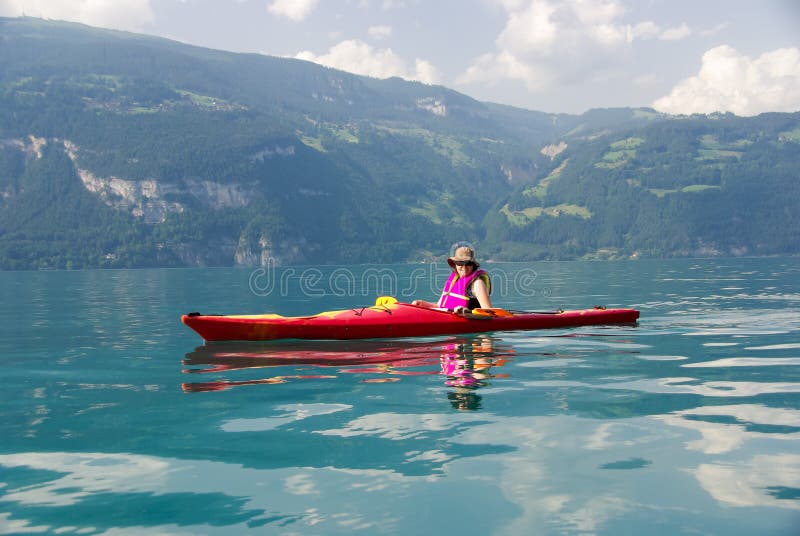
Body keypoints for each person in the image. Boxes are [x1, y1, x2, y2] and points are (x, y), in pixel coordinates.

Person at [412, 246, 492, 313]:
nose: (464, 267)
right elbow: (439, 306)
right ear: (455, 264)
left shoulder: (477, 283)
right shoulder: (452, 281)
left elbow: (489, 313)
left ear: (473, 265)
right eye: (460, 263)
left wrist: (468, 312)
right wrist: (422, 304)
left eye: (468, 263)